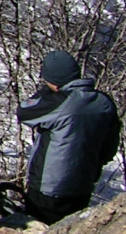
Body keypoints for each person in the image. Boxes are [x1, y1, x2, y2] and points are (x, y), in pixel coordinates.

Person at [19, 50, 121, 224]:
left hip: (48, 187)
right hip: (83, 185)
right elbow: (110, 144)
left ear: (54, 81)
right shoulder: (104, 102)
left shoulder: (60, 102)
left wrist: (47, 92)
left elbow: (24, 111)